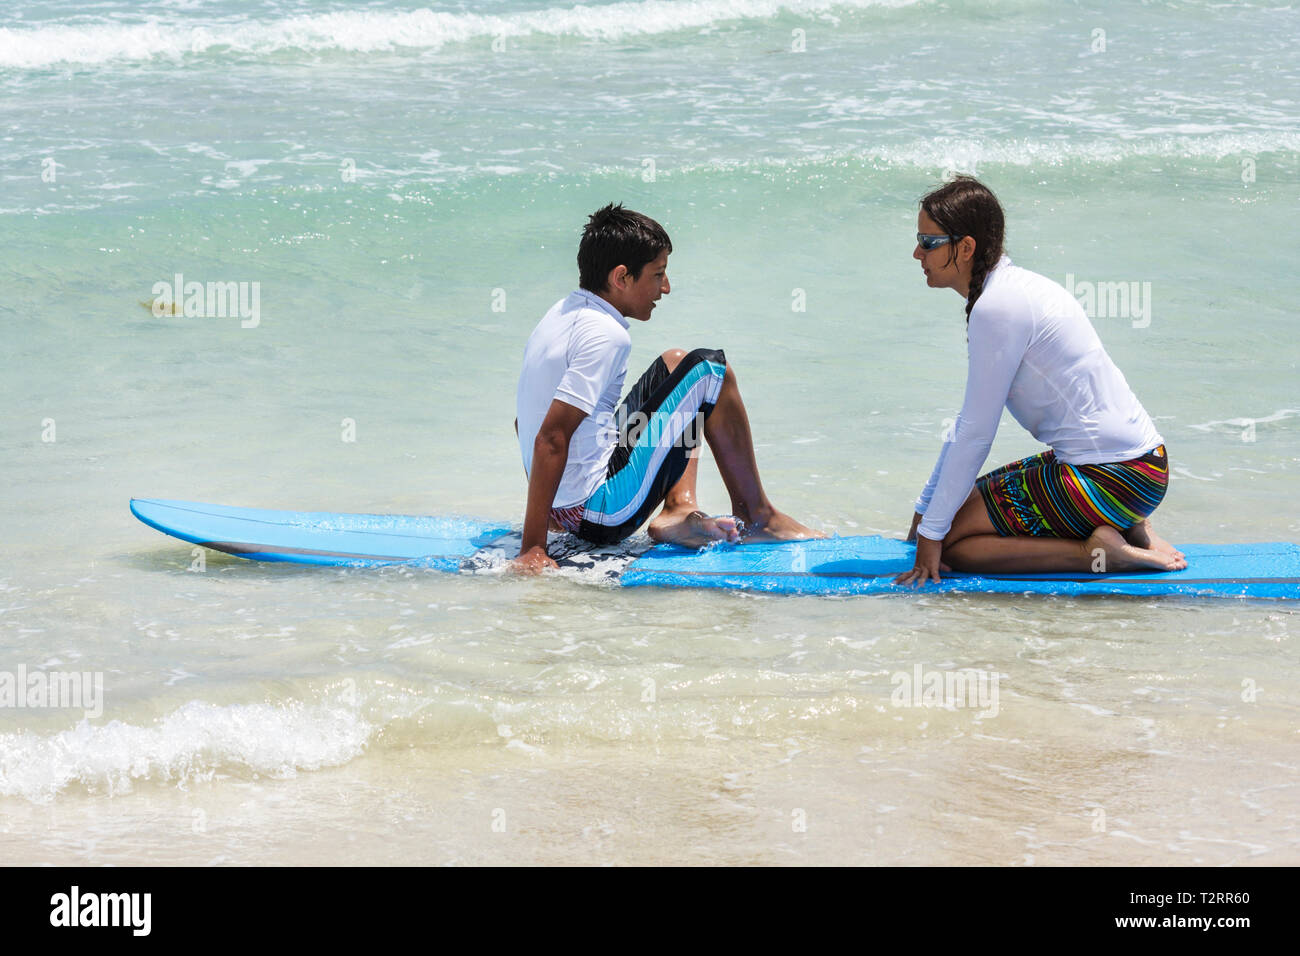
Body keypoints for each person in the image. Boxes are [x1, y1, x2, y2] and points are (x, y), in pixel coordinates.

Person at [895, 176, 1187, 587]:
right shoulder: (1015, 288)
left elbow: (976, 432)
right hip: (1144, 466)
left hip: (1110, 477)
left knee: (957, 548)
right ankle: (1132, 527)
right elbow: (967, 423)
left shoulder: (997, 308)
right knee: (949, 516)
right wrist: (925, 516)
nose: (916, 253)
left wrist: (929, 538)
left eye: (928, 242)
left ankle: (1099, 554)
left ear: (965, 248)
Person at [512, 203, 821, 573]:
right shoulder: (606, 336)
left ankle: (678, 507)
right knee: (710, 370)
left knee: (677, 362)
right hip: (601, 513)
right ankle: (758, 517)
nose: (666, 288)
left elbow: (522, 422)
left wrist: (555, 512)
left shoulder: (561, 314)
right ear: (621, 277)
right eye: (658, 275)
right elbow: (551, 436)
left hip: (572, 506)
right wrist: (533, 547)